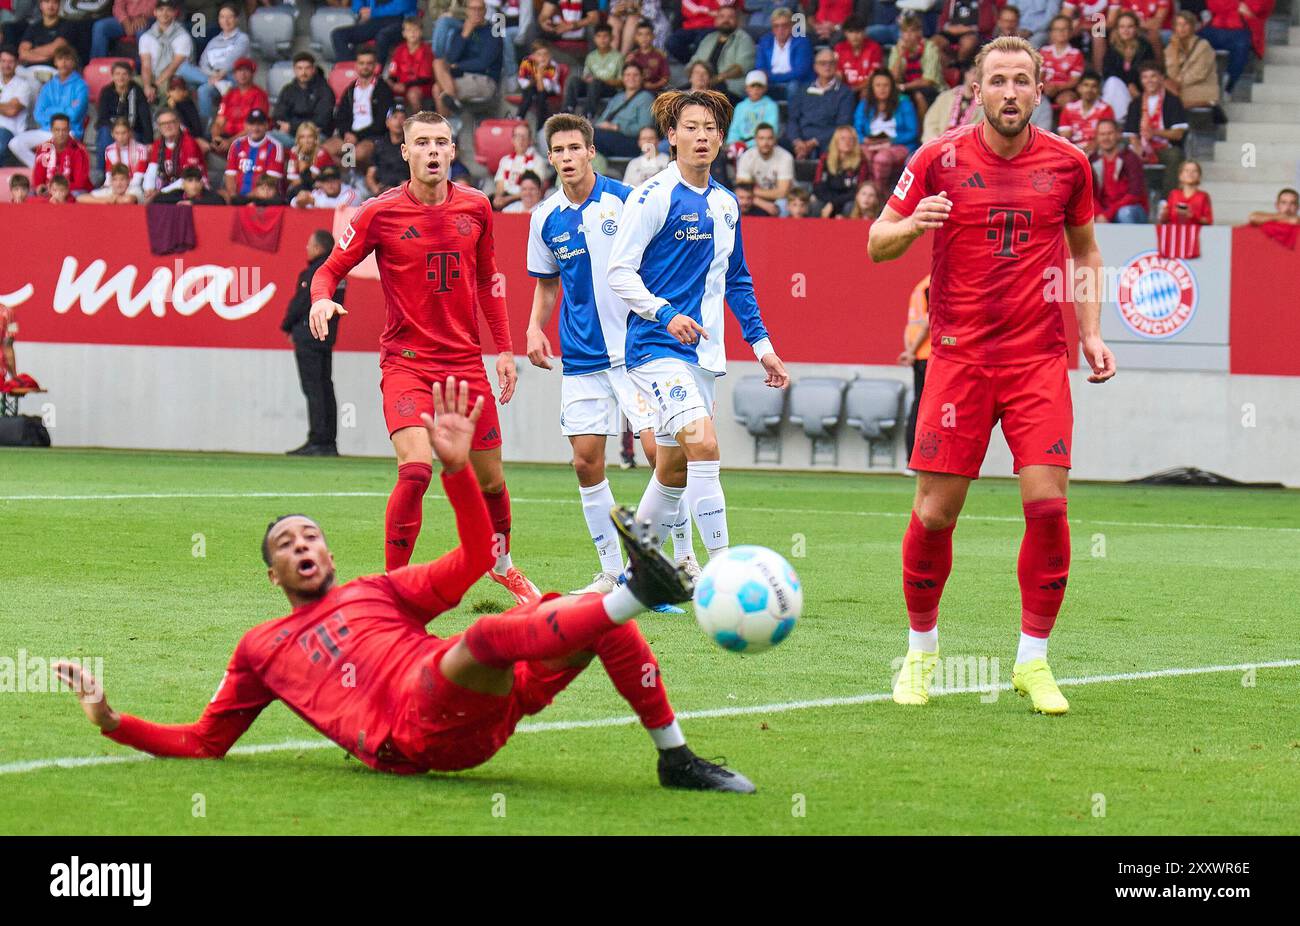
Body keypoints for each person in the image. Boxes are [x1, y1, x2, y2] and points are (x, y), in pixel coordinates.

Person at [54, 376, 754, 793]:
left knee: (590, 617)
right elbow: (205, 742)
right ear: (273, 575)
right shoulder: (261, 647)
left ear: (327, 550)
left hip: (488, 701)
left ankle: (676, 758)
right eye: (285, 545)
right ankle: (638, 584)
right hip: (413, 734)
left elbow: (480, 554)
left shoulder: (377, 590)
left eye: (309, 535)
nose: (303, 545)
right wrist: (115, 723)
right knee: (491, 633)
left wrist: (456, 469)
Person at [868, 35, 1116, 715]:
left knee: (1048, 506)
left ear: (1040, 91)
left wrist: (1090, 331)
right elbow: (875, 244)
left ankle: (1032, 663)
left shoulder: (1068, 164)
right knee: (935, 513)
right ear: (976, 89)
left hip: (1038, 359)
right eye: (997, 80)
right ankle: (921, 655)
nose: (1009, 92)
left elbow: (1087, 252)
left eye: (1022, 81)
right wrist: (915, 222)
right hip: (958, 359)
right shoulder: (936, 159)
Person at [308, 112, 540, 605]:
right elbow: (328, 271)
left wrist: (502, 349)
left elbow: (487, 281)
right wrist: (321, 299)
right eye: (422, 143)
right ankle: (394, 586)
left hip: (463, 366)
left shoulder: (477, 207)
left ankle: (502, 565)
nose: (433, 151)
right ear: (407, 152)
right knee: (415, 470)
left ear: (453, 151)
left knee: (492, 481)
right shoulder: (378, 212)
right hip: (407, 364)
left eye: (441, 142)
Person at [608, 89, 790, 570]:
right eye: (690, 127)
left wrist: (763, 346)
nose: (701, 136)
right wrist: (665, 313)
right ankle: (722, 571)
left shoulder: (728, 204)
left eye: (710, 128)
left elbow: (737, 280)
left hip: (703, 356)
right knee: (705, 445)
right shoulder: (652, 196)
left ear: (722, 138)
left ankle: (633, 573)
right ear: (672, 136)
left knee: (673, 468)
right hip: (654, 347)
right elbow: (619, 272)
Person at [525, 112, 701, 592]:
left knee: (660, 454)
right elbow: (546, 286)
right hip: (582, 357)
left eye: (573, 149)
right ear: (551, 157)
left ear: (590, 150)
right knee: (585, 461)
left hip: (636, 351)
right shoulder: (544, 218)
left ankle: (682, 557)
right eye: (557, 151)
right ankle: (609, 571)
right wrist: (534, 329)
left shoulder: (626, 201)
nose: (566, 158)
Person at [282, 230, 343, 457]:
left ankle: (318, 439)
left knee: (314, 389)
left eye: (309, 245)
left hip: (309, 334)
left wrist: (287, 325)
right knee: (325, 387)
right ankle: (328, 441)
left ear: (318, 247)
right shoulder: (338, 271)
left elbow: (302, 301)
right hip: (326, 336)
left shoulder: (316, 271)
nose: (307, 249)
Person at [9, 45, 86, 166]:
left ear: (73, 62)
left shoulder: (81, 86)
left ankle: (54, 171)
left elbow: (74, 115)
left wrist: (51, 110)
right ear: (55, 62)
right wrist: (64, 110)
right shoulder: (48, 86)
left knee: (61, 140)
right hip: (47, 129)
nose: (64, 63)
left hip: (69, 131)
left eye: (67, 59)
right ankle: (39, 168)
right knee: (15, 143)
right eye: (60, 59)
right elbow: (38, 114)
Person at [1123, 61, 1186, 192]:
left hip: (1164, 147)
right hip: (1141, 146)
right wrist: (1138, 148)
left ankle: (1167, 200)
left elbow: (1178, 133)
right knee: (1124, 156)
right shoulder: (1135, 103)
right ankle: (1131, 197)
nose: (1149, 80)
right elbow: (1131, 134)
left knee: (1175, 155)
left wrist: (1155, 133)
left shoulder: (1173, 101)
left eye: (1153, 76)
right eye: (1145, 77)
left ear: (1161, 78)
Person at [433, 0, 502, 116]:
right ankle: (452, 100)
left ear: (485, 11)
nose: (476, 12)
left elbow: (483, 63)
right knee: (437, 62)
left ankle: (450, 126)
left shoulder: (493, 32)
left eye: (479, 9)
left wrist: (458, 66)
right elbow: (451, 58)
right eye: (472, 9)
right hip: (461, 77)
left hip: (485, 79)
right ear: (466, 11)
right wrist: (465, 35)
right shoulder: (461, 31)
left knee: (438, 89)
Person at [855, 68, 918, 193]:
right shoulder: (865, 103)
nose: (882, 89)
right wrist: (864, 139)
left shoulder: (904, 103)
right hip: (871, 143)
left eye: (886, 85)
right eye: (878, 85)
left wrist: (891, 142)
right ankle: (863, 195)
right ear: (872, 87)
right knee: (862, 154)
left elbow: (913, 131)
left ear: (892, 87)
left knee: (881, 159)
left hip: (898, 144)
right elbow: (857, 128)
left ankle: (879, 194)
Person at [785, 47, 855, 160]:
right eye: (822, 63)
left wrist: (813, 142)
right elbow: (793, 119)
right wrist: (797, 141)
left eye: (831, 63)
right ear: (815, 67)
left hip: (827, 138)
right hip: (801, 137)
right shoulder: (802, 90)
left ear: (836, 65)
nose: (827, 66)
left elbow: (843, 124)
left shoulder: (845, 92)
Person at [333, 47, 395, 169]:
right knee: (324, 151)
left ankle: (357, 178)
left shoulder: (383, 89)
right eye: (361, 63)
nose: (365, 67)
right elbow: (340, 116)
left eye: (369, 63)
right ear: (356, 65)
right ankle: (347, 178)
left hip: (372, 136)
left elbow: (382, 122)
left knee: (355, 155)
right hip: (349, 136)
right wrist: (346, 133)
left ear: (375, 66)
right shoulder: (351, 89)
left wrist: (356, 136)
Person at [192, 4, 248, 126]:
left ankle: (205, 127)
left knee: (203, 89)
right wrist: (213, 77)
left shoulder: (242, 38)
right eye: (222, 17)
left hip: (231, 78)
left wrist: (220, 75)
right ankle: (204, 126)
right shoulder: (214, 41)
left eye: (230, 17)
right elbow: (203, 62)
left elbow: (233, 61)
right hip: (214, 78)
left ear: (237, 19)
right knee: (183, 69)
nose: (226, 21)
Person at [688, 3, 755, 100]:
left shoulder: (744, 39)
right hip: (703, 84)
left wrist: (717, 78)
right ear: (716, 20)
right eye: (722, 16)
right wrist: (695, 77)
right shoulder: (708, 38)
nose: (726, 20)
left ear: (737, 21)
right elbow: (693, 63)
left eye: (730, 17)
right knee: (674, 96)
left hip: (729, 87)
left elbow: (742, 67)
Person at [1200, 0, 1269, 95]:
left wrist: (1226, 5)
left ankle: (1228, 85)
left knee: (1241, 45)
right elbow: (1213, 4)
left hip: (1243, 29)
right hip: (1216, 27)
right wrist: (1237, 5)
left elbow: (1256, 8)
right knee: (1192, 39)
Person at [138, 104, 204, 199]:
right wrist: (148, 189)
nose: (167, 126)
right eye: (163, 124)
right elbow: (151, 170)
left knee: (159, 200)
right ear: (159, 127)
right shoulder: (158, 144)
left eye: (171, 122)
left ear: (178, 123)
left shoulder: (189, 143)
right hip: (167, 188)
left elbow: (187, 178)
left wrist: (160, 193)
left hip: (190, 187)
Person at [898, 274, 931, 465]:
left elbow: (911, 324)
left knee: (917, 405)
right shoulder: (932, 285)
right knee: (928, 409)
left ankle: (911, 460)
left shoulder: (919, 287)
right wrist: (911, 351)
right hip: (929, 354)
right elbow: (928, 323)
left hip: (919, 356)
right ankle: (921, 460)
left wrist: (909, 351)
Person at [593, 61, 655, 157]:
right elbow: (603, 119)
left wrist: (616, 127)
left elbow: (645, 128)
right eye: (627, 75)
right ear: (623, 78)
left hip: (631, 141)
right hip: (609, 137)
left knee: (592, 137)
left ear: (642, 77)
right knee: (585, 133)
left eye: (636, 75)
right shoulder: (617, 97)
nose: (631, 78)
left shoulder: (646, 98)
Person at [1090, 117, 1147, 222]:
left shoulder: (1131, 158)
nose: (1106, 138)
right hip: (1103, 210)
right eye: (1102, 134)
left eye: (1110, 133)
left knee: (1125, 213)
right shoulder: (1092, 160)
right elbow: (1088, 194)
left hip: (1131, 209)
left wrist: (1107, 214)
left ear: (1118, 135)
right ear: (1097, 137)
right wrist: (1099, 214)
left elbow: (1134, 194)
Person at [209, 57, 267, 157]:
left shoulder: (259, 95)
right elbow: (219, 122)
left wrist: (230, 142)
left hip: (248, 138)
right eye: (239, 70)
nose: (242, 74)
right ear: (234, 74)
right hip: (226, 137)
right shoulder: (230, 94)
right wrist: (216, 137)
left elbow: (256, 126)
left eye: (246, 70)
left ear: (252, 73)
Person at [888, 14, 942, 121]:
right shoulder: (897, 49)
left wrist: (903, 87)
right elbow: (893, 78)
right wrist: (899, 56)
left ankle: (922, 134)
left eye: (911, 31)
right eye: (904, 32)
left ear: (919, 33)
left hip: (932, 89)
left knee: (919, 96)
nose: (907, 36)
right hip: (906, 86)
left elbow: (928, 81)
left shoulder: (930, 48)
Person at [223, 107, 284, 201]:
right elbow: (230, 175)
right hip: (239, 197)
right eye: (252, 124)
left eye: (259, 124)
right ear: (246, 125)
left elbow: (270, 182)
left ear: (267, 126)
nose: (255, 128)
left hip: (264, 198)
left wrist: (246, 199)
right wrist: (233, 196)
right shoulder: (236, 145)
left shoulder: (275, 147)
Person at [331, 0, 418, 66]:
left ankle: (376, 75)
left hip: (401, 21)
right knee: (338, 35)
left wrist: (373, 13)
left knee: (382, 36)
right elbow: (357, 4)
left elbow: (403, 6)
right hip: (374, 21)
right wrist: (360, 10)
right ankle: (351, 70)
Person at [274, 52, 335, 144]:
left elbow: (320, 121)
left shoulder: (325, 90)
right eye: (300, 68)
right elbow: (279, 115)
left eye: (307, 68)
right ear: (294, 70)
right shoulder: (288, 89)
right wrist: (290, 127)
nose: (303, 72)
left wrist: (292, 126)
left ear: (313, 69)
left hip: (314, 135)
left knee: (308, 142)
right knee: (267, 138)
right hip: (290, 134)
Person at [138, 0, 191, 104]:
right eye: (161, 10)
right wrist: (147, 86)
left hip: (173, 76)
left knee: (166, 89)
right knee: (133, 84)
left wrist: (155, 85)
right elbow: (146, 65)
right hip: (153, 75)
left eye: (169, 10)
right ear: (154, 12)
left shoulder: (182, 36)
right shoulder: (146, 37)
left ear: (175, 13)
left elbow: (174, 66)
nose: (164, 14)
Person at [1163, 10, 1218, 110]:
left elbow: (1199, 73)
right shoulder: (1171, 48)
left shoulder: (1203, 46)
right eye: (1179, 24)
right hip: (1180, 91)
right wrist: (1175, 51)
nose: (1182, 28)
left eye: (1186, 24)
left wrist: (1177, 82)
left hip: (1200, 90)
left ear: (1192, 27)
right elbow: (1170, 72)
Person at [735, 122, 792, 216]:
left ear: (775, 140)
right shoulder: (747, 156)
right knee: (741, 202)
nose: (765, 143)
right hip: (754, 199)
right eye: (761, 138)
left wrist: (753, 193)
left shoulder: (785, 157)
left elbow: (782, 192)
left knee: (782, 206)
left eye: (769, 138)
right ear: (755, 140)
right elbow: (742, 189)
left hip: (779, 199)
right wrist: (761, 202)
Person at [755, 7, 812, 100]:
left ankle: (792, 114)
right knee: (753, 87)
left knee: (793, 87)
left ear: (791, 26)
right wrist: (768, 77)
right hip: (770, 83)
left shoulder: (802, 42)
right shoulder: (765, 41)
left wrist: (772, 77)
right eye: (776, 26)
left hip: (794, 82)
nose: (780, 30)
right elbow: (760, 67)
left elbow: (800, 72)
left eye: (784, 25)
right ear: (772, 28)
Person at [568, 22, 623, 118]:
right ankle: (568, 109)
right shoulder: (591, 56)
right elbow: (586, 76)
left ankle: (588, 113)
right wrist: (586, 79)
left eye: (605, 36)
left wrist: (600, 80)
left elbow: (621, 82)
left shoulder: (619, 57)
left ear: (612, 38)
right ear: (594, 39)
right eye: (599, 36)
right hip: (592, 88)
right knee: (574, 80)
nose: (602, 39)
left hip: (609, 89)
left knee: (595, 82)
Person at [812, 123, 868, 217]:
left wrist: (833, 204)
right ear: (836, 141)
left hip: (848, 200)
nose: (847, 142)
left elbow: (858, 189)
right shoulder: (825, 158)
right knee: (816, 204)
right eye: (843, 138)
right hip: (828, 198)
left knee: (851, 206)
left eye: (851, 139)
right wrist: (831, 202)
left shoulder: (861, 161)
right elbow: (818, 185)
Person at [491, 120, 547, 210]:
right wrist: (498, 198)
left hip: (525, 199)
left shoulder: (538, 161)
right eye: (517, 136)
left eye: (524, 137)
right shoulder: (505, 160)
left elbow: (534, 189)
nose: (521, 140)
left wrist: (507, 199)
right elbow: (500, 184)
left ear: (530, 141)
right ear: (512, 140)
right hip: (505, 198)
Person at [29, 111, 91, 192]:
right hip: (49, 191)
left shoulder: (79, 150)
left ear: (69, 130)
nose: (61, 134)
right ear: (51, 130)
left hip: (72, 191)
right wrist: (41, 188)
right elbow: (38, 180)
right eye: (57, 130)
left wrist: (57, 189)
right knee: (28, 195)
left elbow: (80, 183)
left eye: (64, 130)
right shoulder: (44, 149)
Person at [922, 62, 983, 142]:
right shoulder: (946, 97)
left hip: (966, 148)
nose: (976, 77)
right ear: (966, 74)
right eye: (974, 73)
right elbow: (930, 122)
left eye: (980, 75)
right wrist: (935, 142)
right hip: (938, 144)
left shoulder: (984, 104)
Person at [386, 16, 434, 114]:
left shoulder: (426, 50)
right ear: (404, 34)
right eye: (409, 30)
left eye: (415, 30)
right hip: (402, 86)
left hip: (422, 87)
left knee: (413, 93)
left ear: (421, 32)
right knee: (381, 85)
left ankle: (418, 124)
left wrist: (404, 85)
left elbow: (425, 79)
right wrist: (391, 83)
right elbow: (393, 74)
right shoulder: (399, 50)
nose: (412, 33)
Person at [726, 68, 777, 151]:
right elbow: (734, 130)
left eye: (759, 86)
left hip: (761, 145)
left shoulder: (771, 106)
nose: (756, 89)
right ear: (747, 88)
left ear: (765, 88)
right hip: (740, 146)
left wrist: (748, 145)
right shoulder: (740, 106)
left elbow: (771, 130)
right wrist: (733, 143)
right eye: (752, 86)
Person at [833, 14, 884, 95]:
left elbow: (874, 76)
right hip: (845, 91)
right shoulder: (839, 48)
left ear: (864, 32)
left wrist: (855, 89)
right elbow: (838, 75)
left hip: (867, 89)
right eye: (851, 32)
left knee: (865, 93)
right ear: (845, 33)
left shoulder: (874, 48)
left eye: (858, 32)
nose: (854, 36)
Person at [515, 38, 561, 126]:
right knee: (529, 92)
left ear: (550, 55)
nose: (543, 57)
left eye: (546, 54)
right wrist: (536, 78)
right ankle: (519, 118)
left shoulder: (553, 66)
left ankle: (541, 125)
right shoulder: (527, 62)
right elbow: (523, 83)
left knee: (541, 96)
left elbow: (544, 88)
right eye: (539, 54)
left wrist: (539, 74)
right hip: (532, 87)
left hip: (549, 90)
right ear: (533, 56)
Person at [1039, 14, 1083, 105]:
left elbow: (1073, 81)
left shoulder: (1076, 54)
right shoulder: (1044, 51)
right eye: (1057, 29)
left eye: (1065, 29)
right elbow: (1039, 76)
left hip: (1064, 90)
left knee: (1067, 99)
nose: (1061, 32)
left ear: (1071, 32)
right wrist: (1044, 87)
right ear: (1051, 33)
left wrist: (1057, 88)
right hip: (1045, 89)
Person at [0, 46, 35, 159]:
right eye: (3, 61)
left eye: (10, 61)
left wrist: (9, 106)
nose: (6, 65)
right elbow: (8, 108)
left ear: (17, 64)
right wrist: (6, 105)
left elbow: (12, 111)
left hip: (9, 130)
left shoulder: (23, 86)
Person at [366, 102, 409, 194]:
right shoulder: (379, 145)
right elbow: (370, 174)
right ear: (387, 123)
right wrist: (376, 189)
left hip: (404, 192)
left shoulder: (411, 146)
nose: (399, 121)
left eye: (402, 118)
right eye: (395, 117)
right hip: (382, 191)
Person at [89, 0, 154, 60]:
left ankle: (145, 67)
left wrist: (144, 16)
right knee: (100, 26)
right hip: (127, 19)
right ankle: (97, 65)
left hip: (148, 18)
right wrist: (126, 23)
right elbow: (118, 7)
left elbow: (157, 5)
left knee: (141, 32)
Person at [284, 120, 334, 192]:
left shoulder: (321, 154)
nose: (306, 141)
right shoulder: (294, 151)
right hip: (305, 186)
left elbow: (310, 178)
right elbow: (292, 178)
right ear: (298, 139)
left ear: (315, 138)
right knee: (291, 191)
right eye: (302, 137)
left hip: (324, 189)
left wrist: (301, 162)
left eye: (310, 137)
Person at [1158, 158, 1211, 225]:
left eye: (1194, 171)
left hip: (1195, 233)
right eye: (1186, 171)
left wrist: (1192, 216)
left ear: (1199, 176)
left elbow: (1208, 221)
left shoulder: (1203, 196)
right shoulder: (1174, 194)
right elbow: (1165, 220)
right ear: (1180, 176)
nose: (1190, 173)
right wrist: (1164, 214)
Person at [626, 19, 670, 92]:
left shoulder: (660, 55)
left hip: (655, 91)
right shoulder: (632, 56)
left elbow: (665, 77)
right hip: (635, 91)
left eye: (647, 34)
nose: (644, 38)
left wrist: (654, 86)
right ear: (635, 38)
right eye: (640, 34)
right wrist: (627, 63)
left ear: (653, 36)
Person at [293, 163, 360, 208]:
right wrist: (299, 200)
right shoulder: (318, 193)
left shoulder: (351, 193)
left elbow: (339, 207)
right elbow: (293, 203)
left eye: (333, 180)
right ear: (321, 183)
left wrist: (313, 201)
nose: (330, 184)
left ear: (340, 181)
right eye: (325, 181)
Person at [152, 162, 224, 203]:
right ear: (183, 184)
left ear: (202, 184)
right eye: (190, 180)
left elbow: (220, 201)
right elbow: (158, 199)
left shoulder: (208, 195)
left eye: (197, 180)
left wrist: (193, 203)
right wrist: (182, 201)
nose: (194, 184)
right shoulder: (177, 193)